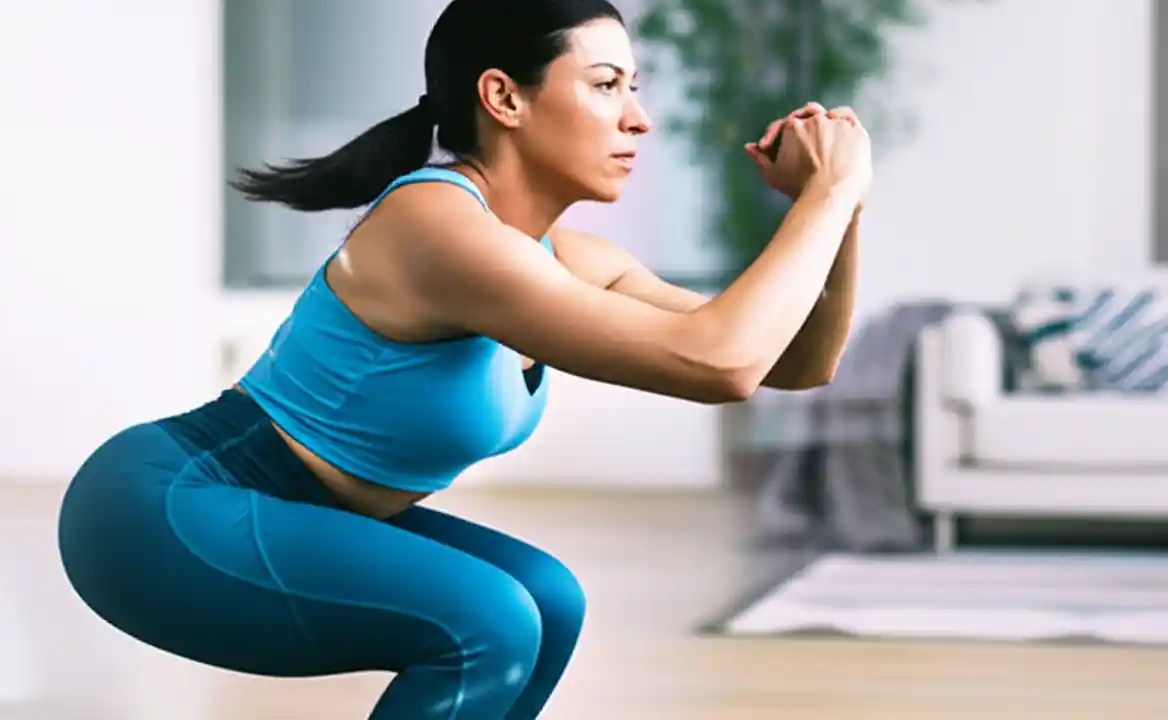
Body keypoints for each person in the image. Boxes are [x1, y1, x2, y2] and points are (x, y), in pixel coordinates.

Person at [56, 0, 871, 717]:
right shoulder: (434, 224)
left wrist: (841, 209)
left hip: (288, 507)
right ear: (503, 96)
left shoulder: (567, 258)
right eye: (605, 84)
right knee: (488, 619)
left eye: (633, 87)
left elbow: (793, 364)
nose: (639, 118)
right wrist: (826, 198)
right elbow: (718, 364)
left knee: (548, 600)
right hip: (163, 512)